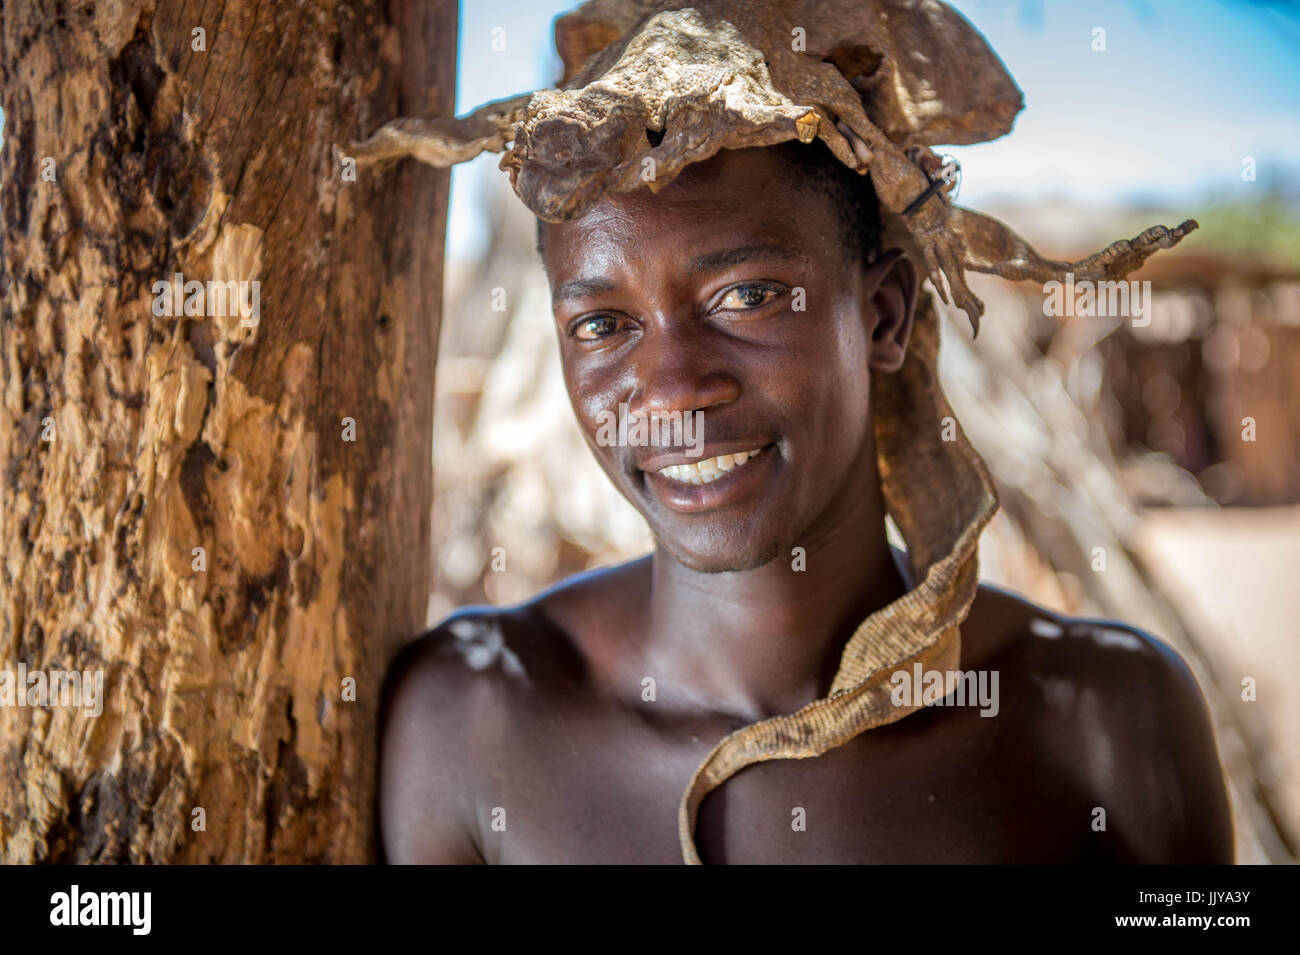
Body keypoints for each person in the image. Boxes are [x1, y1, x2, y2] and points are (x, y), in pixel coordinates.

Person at [376, 137, 1234, 865]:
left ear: (884, 317)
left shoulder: (1103, 717)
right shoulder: (473, 717)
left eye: (745, 296)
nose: (673, 391)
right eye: (603, 323)